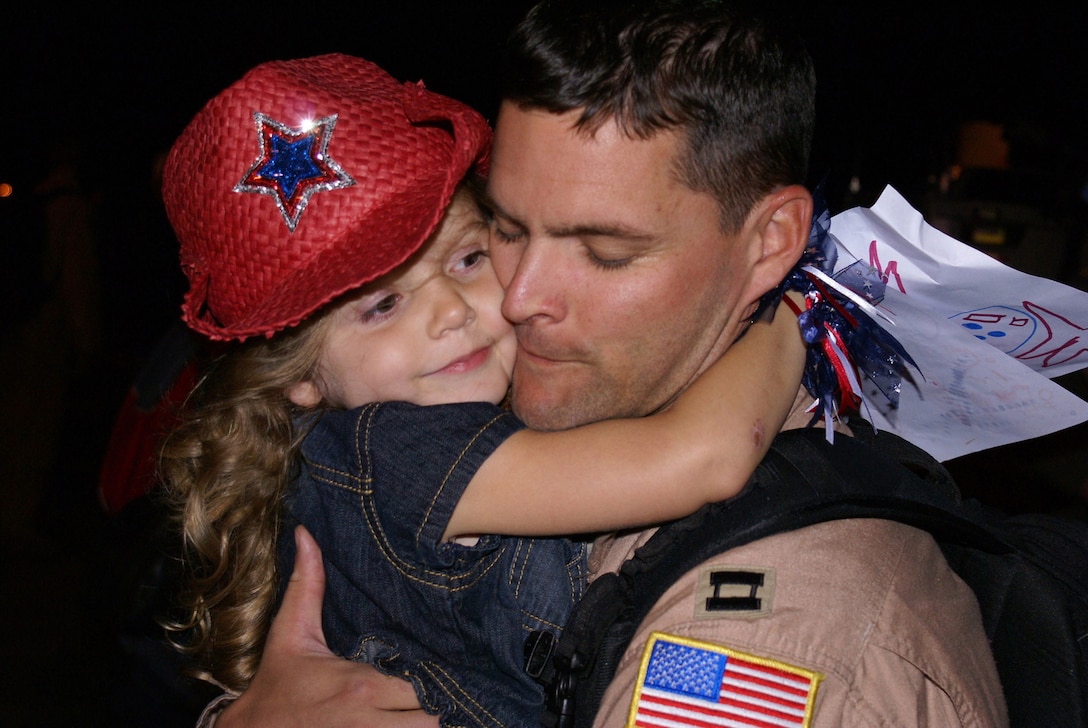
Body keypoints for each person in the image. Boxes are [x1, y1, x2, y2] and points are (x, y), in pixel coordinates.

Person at [208, 2, 1009, 726]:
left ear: (772, 243)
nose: (517, 299)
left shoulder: (766, 640)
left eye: (602, 251)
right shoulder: (415, 442)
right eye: (509, 232)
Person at [159, 53, 808, 727]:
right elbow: (704, 457)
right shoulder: (398, 450)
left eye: (468, 259)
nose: (450, 310)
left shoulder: (440, 424)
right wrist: (800, 308)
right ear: (299, 377)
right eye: (382, 306)